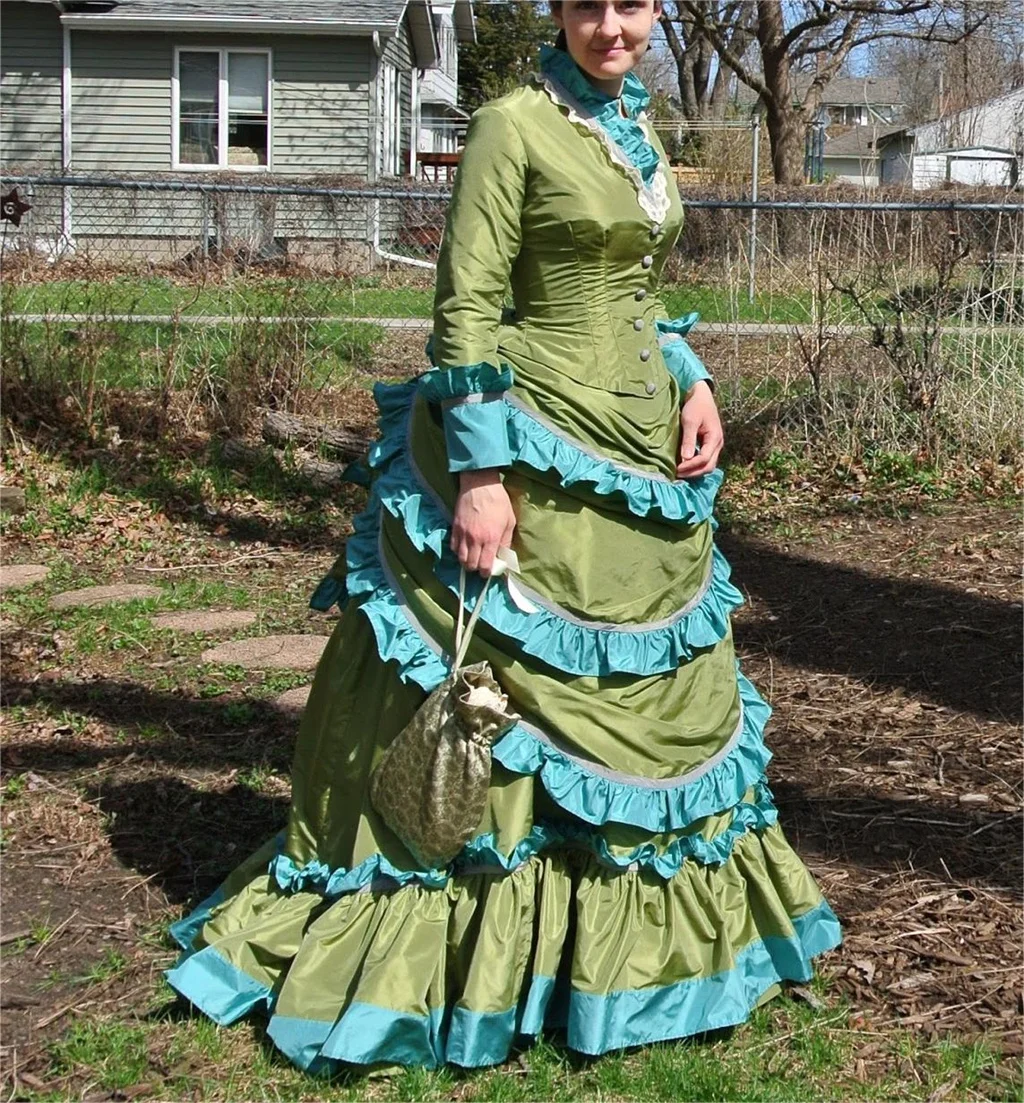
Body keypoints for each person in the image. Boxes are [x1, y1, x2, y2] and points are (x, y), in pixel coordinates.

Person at [166, 0, 841, 1073]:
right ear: (560, 11)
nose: (609, 28)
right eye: (586, 7)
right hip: (527, 437)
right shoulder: (508, 123)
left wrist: (691, 373)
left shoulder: (633, 124)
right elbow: (465, 303)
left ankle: (628, 947)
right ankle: (475, 936)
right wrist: (479, 473)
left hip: (634, 442)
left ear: (655, 12)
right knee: (508, 685)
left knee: (647, 688)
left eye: (629, 7)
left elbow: (640, 285)